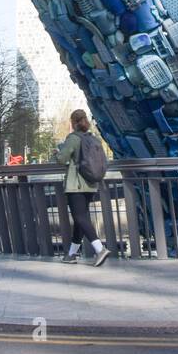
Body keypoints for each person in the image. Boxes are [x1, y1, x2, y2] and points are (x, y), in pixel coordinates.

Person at [55, 109, 110, 266]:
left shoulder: (73, 138)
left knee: (80, 217)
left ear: (73, 123)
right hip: (91, 183)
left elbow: (62, 159)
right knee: (81, 219)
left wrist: (56, 153)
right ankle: (71, 255)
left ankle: (100, 249)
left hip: (76, 185)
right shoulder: (93, 139)